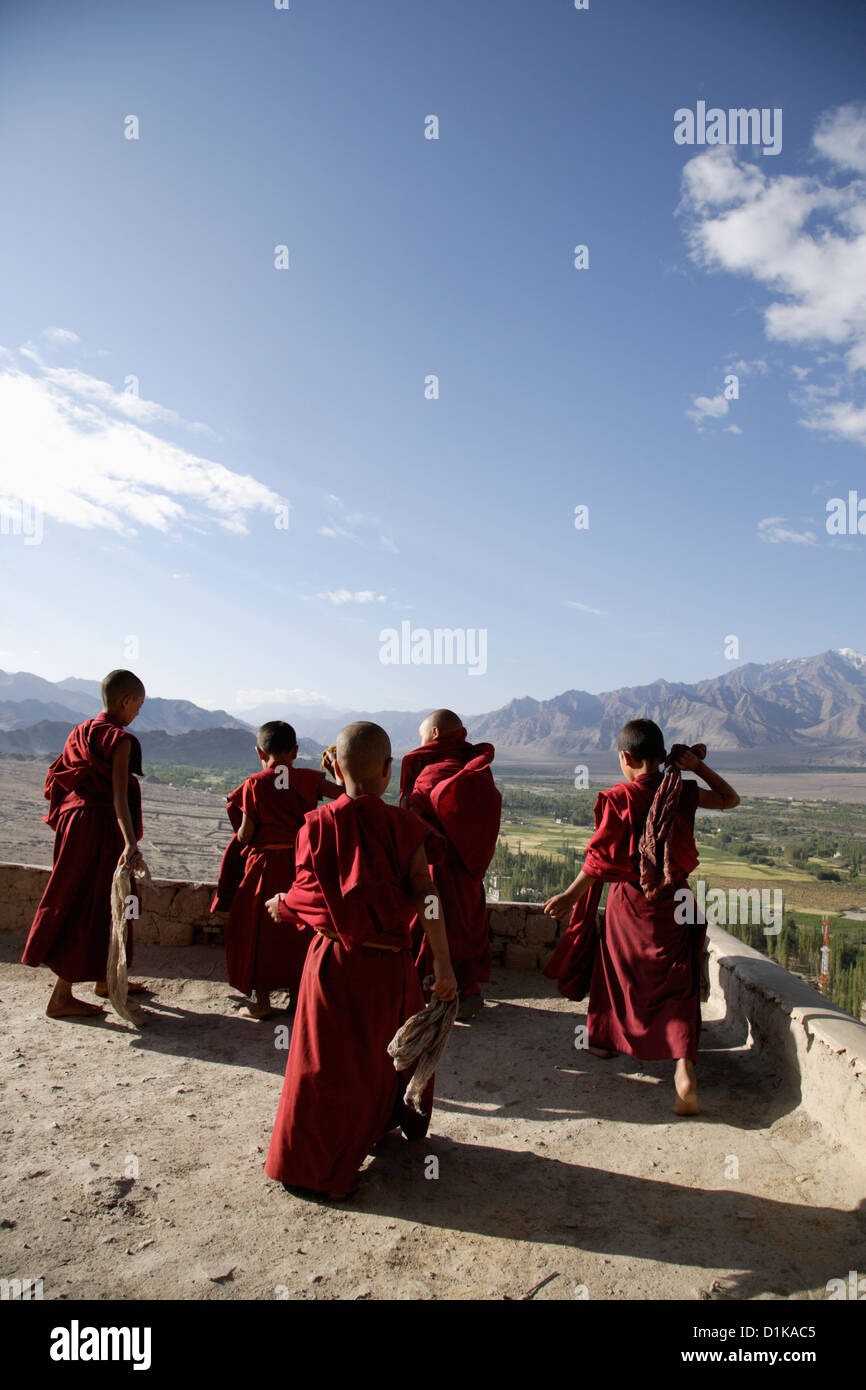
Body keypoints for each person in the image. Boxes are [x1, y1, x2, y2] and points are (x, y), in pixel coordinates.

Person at [264, 721, 457, 1199]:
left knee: (322, 1064)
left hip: (329, 961)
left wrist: (283, 905)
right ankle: (372, 1130)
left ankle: (309, 1164)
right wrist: (445, 966)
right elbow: (426, 895)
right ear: (388, 771)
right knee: (378, 1059)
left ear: (337, 767)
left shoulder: (315, 825)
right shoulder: (406, 826)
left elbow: (311, 896)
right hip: (389, 964)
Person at [543, 720, 739, 1115]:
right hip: (676, 900)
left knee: (618, 972)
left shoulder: (620, 798)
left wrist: (569, 895)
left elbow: (599, 861)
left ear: (625, 758)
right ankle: (683, 1071)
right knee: (678, 983)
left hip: (630, 902)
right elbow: (729, 799)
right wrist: (695, 768)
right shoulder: (680, 790)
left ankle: (602, 1040)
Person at [22, 669, 147, 1019]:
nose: (138, 712)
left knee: (98, 900)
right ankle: (61, 995)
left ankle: (108, 979)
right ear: (125, 701)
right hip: (100, 828)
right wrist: (129, 843)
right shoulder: (119, 740)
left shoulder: (81, 731)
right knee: (91, 904)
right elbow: (119, 797)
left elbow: (61, 778)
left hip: (74, 823)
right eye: (138, 704)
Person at [225, 721, 340, 1019]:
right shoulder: (308, 779)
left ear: (260, 752)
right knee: (299, 929)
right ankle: (296, 997)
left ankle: (262, 1002)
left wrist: (238, 835)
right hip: (301, 867)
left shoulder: (254, 784)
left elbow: (246, 834)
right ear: (296, 752)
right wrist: (338, 770)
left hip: (263, 867)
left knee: (257, 930)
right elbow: (344, 797)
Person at [400, 709, 501, 1020]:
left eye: (421, 737)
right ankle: (468, 989)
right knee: (465, 926)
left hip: (437, 870)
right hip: (469, 871)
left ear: (433, 736)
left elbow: (409, 823)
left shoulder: (431, 774)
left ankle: (427, 992)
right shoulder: (476, 772)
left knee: (432, 928)